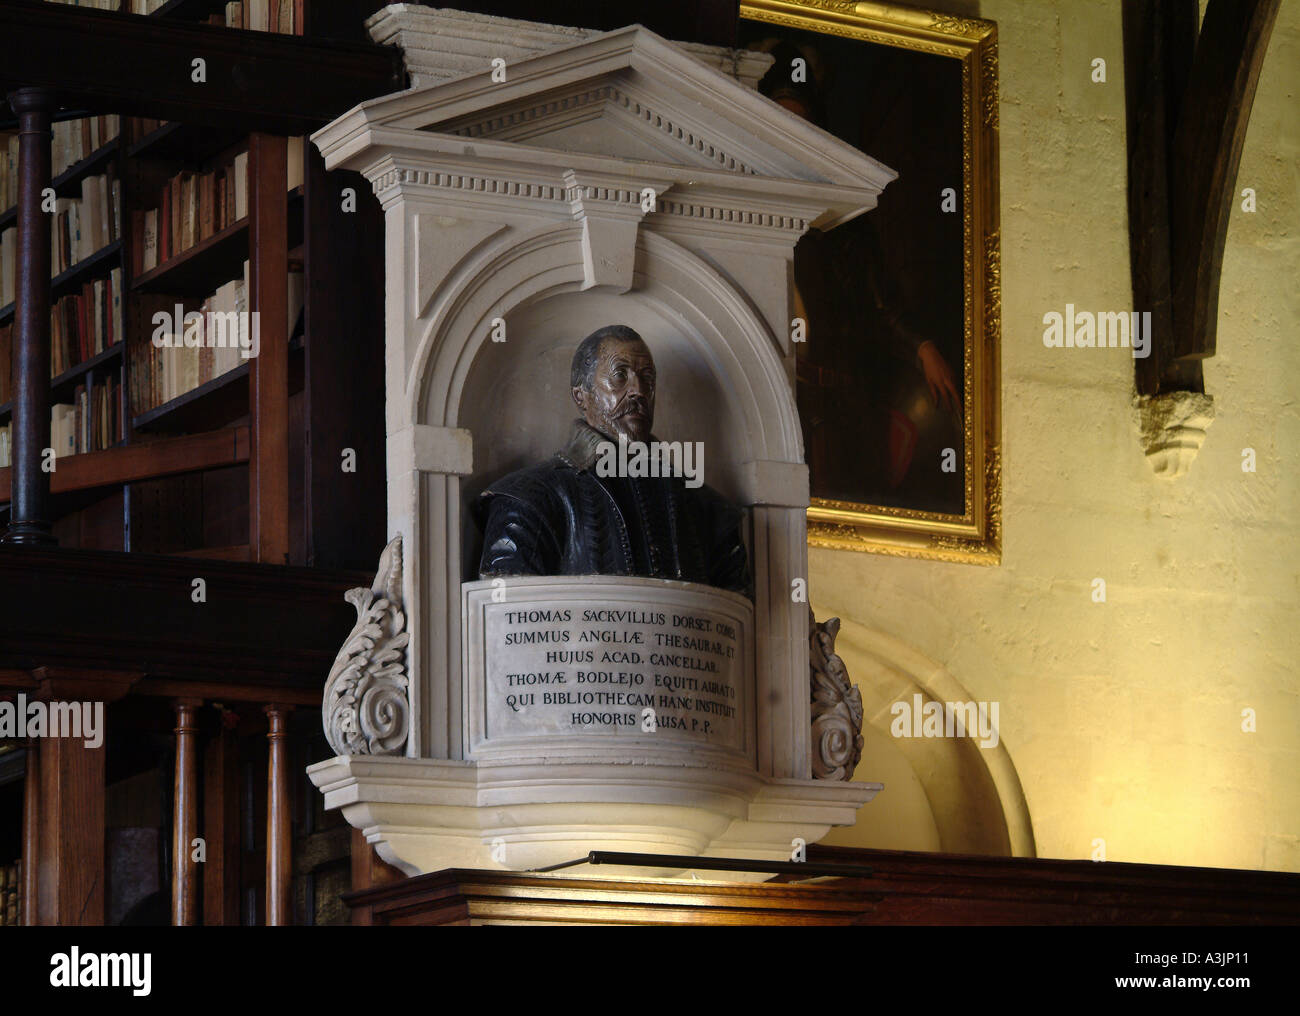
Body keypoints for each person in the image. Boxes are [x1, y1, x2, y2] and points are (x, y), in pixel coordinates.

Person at [474, 325, 750, 595]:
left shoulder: (709, 512)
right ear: (581, 396)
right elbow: (506, 623)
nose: (638, 391)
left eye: (647, 378)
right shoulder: (527, 501)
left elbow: (739, 623)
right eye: (620, 376)